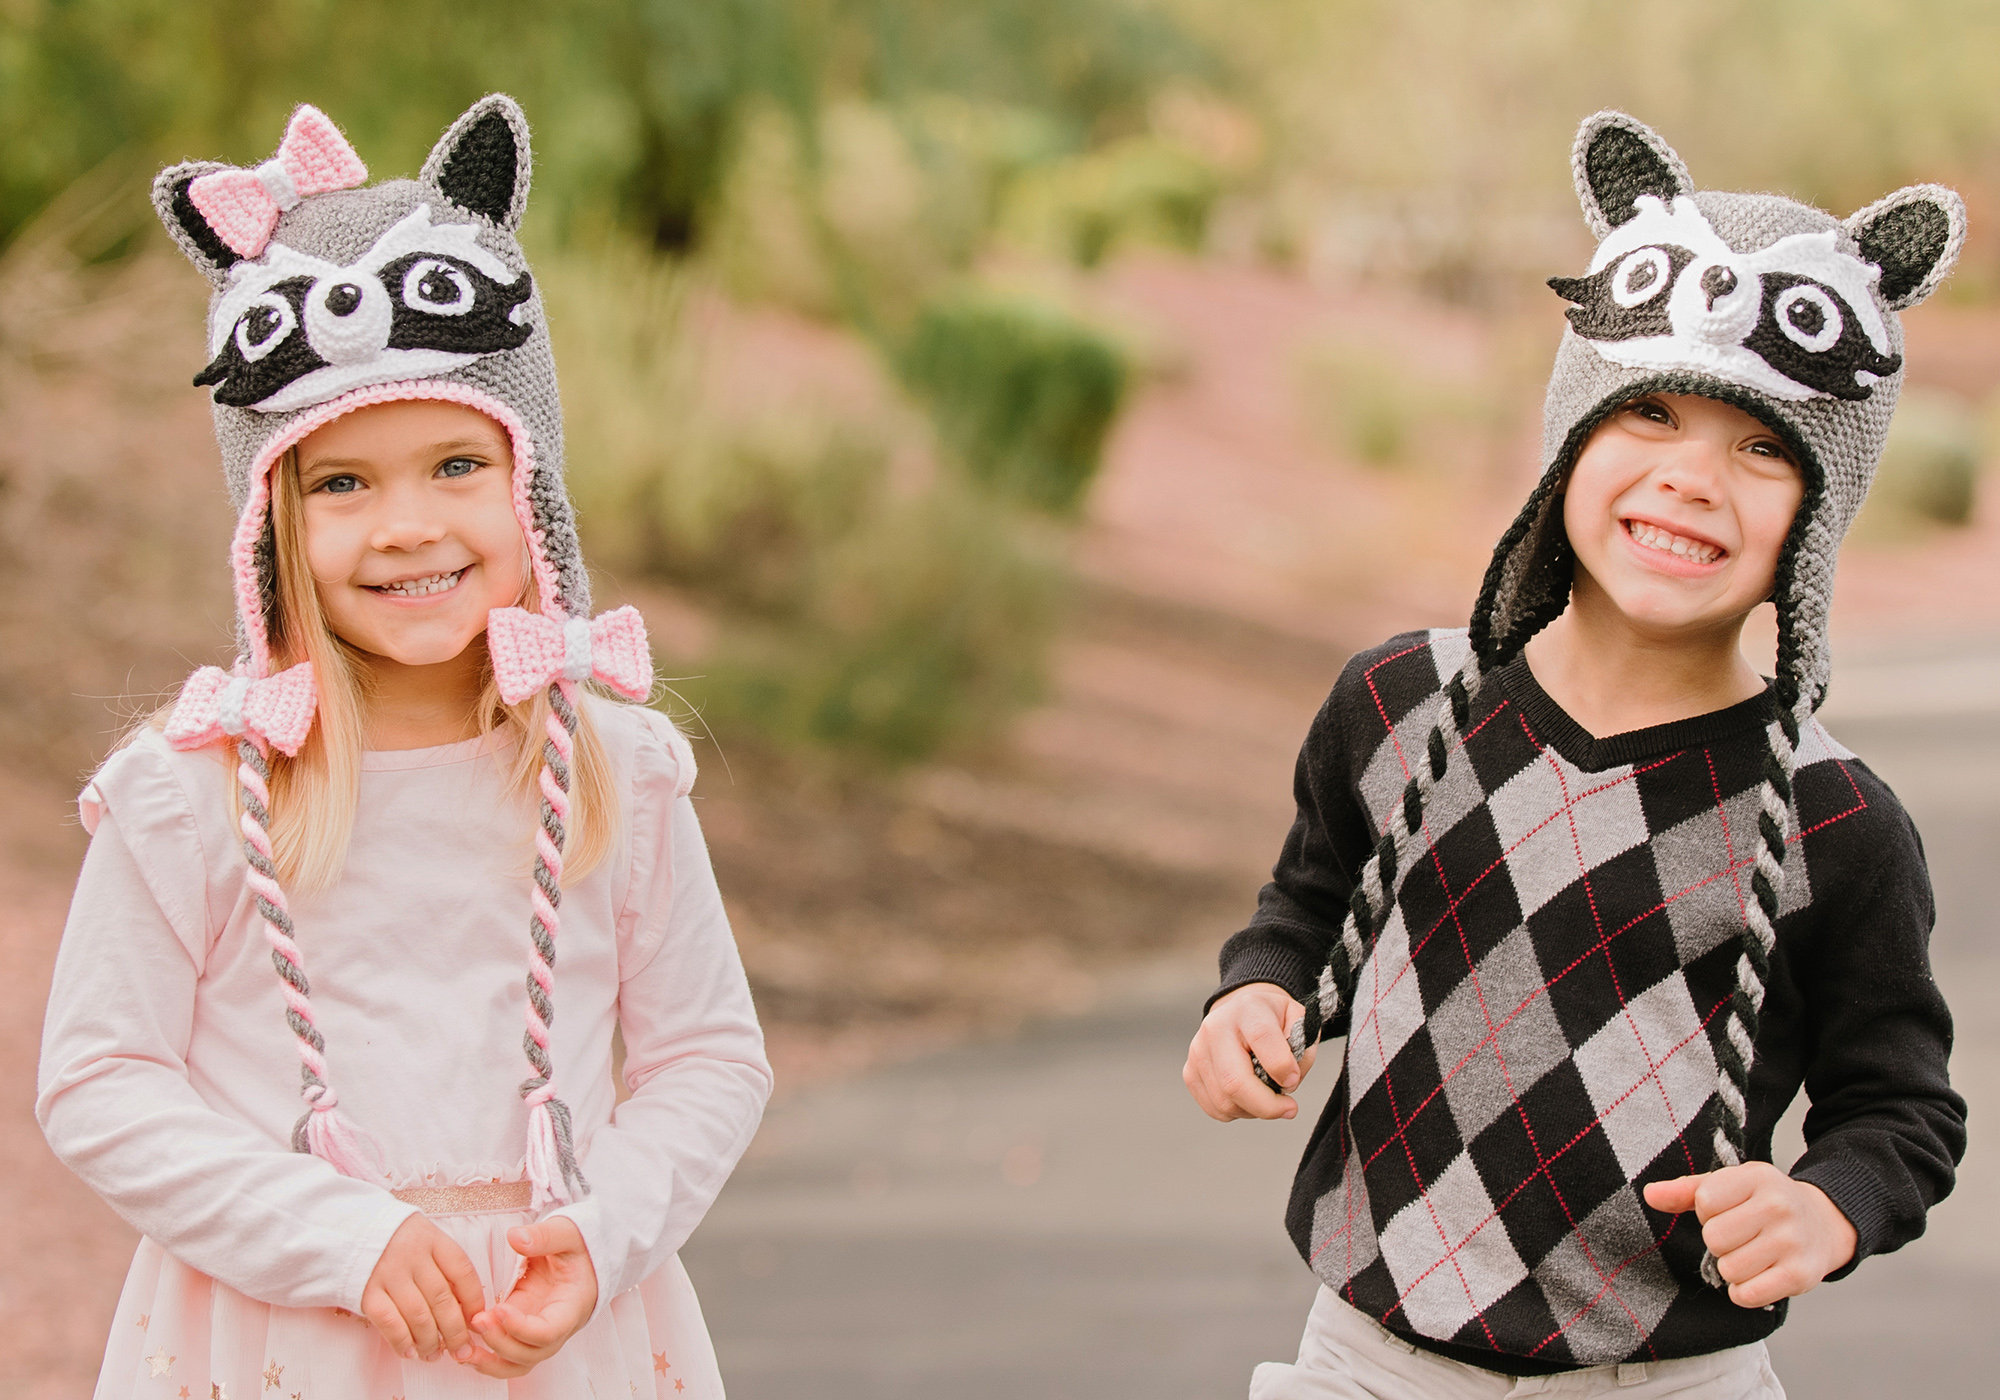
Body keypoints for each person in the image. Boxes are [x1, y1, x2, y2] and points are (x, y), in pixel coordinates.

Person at [1184, 111, 1967, 1397]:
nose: (1691, 479)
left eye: (1763, 447)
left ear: (1816, 515)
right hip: (1366, 1359)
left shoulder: (1831, 820)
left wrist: (1825, 1207)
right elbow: (1303, 908)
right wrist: (1249, 997)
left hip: (1663, 1378)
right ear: (1567, 439)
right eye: (1646, 413)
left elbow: (1899, 1109)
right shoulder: (1396, 702)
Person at [36, 97, 772, 1398]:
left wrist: (606, 1238)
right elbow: (100, 1081)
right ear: (273, 521)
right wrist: (344, 1237)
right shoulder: (200, 786)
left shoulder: (619, 770)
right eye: (343, 483)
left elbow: (708, 1057)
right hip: (280, 1341)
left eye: (453, 465)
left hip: (556, 1333)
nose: (406, 527)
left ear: (529, 487)